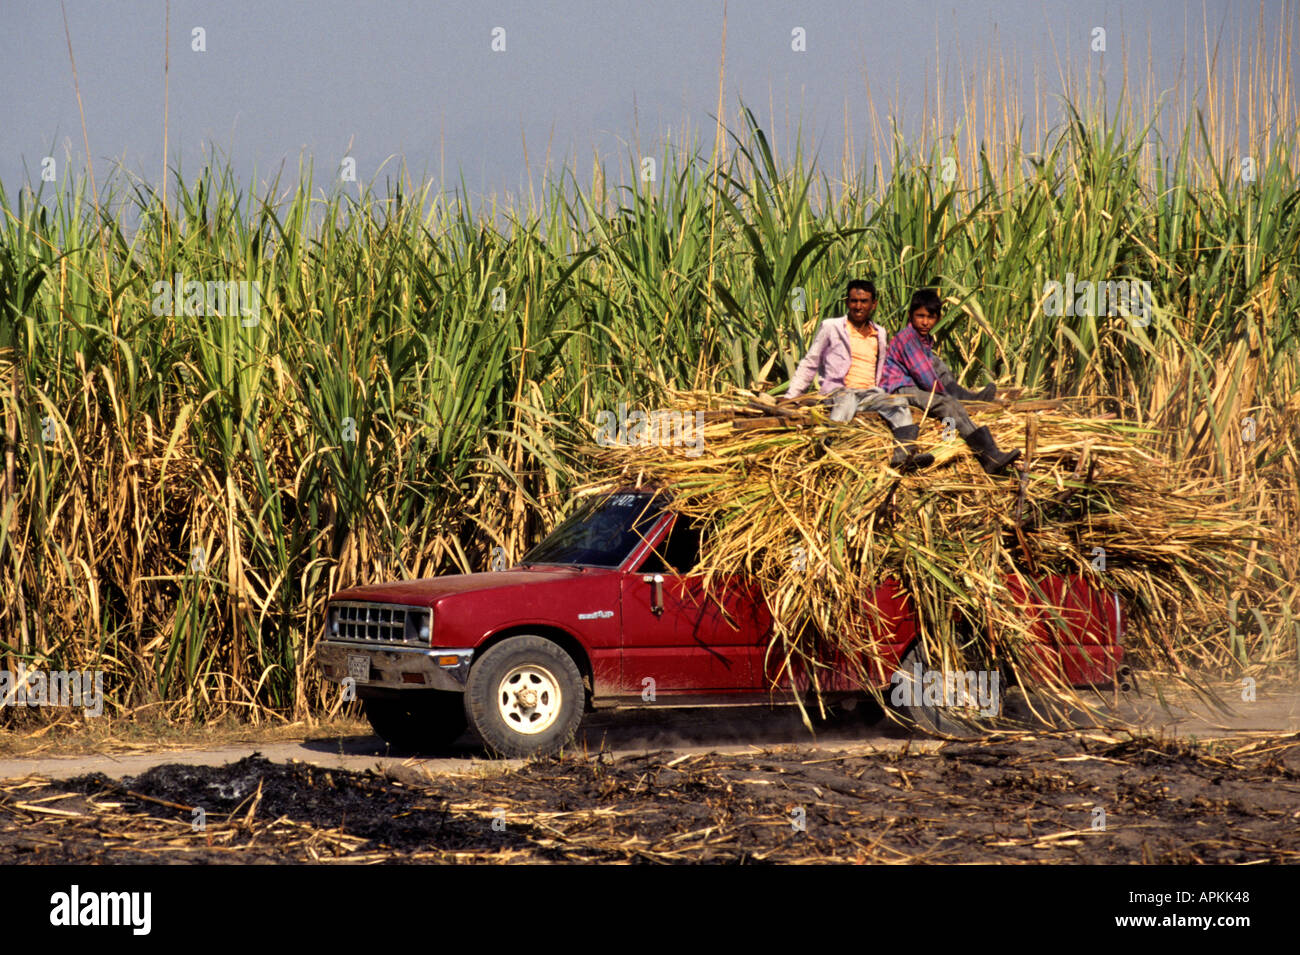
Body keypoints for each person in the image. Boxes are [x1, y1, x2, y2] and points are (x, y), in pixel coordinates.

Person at [786, 280, 933, 470]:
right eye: (854, 301)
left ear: (874, 304)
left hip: (869, 393)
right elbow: (810, 362)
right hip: (839, 391)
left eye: (864, 301)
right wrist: (792, 396)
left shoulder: (880, 333)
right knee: (846, 399)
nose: (858, 306)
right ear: (847, 302)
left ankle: (904, 454)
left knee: (898, 403)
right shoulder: (832, 327)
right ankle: (829, 447)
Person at [879, 288, 1021, 474]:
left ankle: (965, 397)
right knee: (947, 404)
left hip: (910, 384)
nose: (924, 321)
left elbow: (931, 370)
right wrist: (946, 396)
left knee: (936, 362)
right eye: (920, 316)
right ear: (910, 316)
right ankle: (987, 455)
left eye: (930, 317)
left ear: (937, 318)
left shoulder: (922, 338)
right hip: (900, 387)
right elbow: (924, 377)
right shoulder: (908, 338)